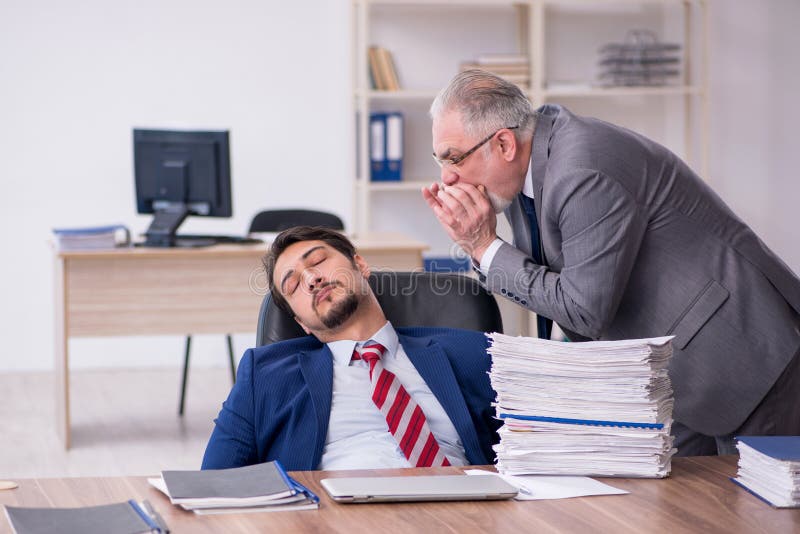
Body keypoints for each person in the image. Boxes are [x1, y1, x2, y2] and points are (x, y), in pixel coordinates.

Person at [423, 69, 800, 456]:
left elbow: (584, 308)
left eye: (454, 159)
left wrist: (484, 246)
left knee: (756, 496)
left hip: (745, 358)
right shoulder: (528, 163)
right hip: (676, 372)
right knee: (676, 494)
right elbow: (548, 277)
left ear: (504, 144)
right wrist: (481, 247)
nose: (446, 179)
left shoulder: (581, 170)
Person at [202, 226, 500, 471]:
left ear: (360, 265)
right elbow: (214, 485)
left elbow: (526, 451)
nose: (311, 279)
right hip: (337, 513)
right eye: (292, 285)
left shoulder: (473, 352)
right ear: (301, 323)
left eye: (318, 261)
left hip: (457, 509)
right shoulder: (264, 376)